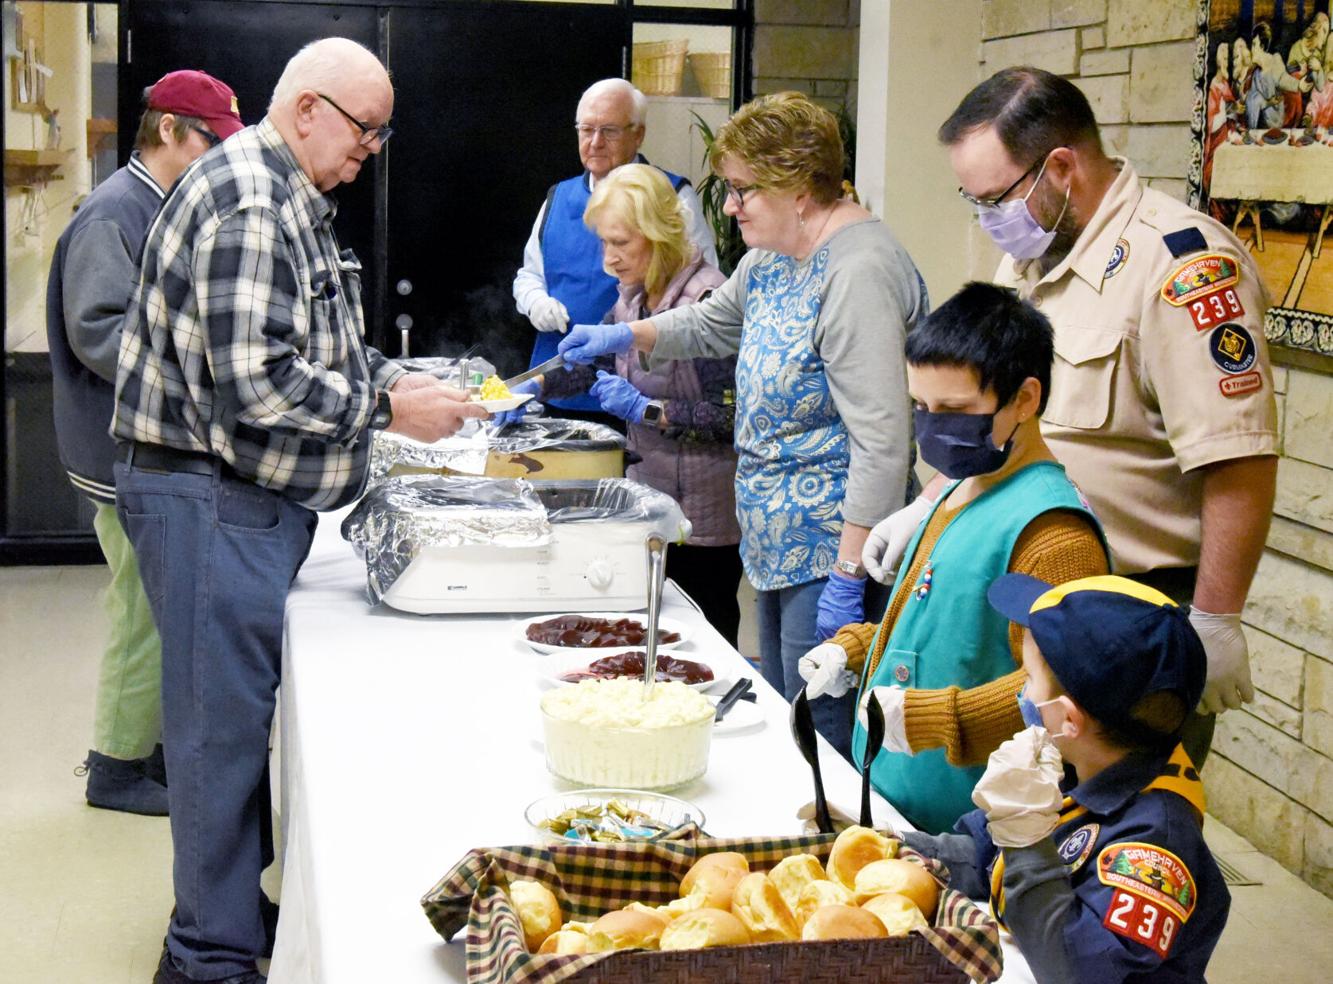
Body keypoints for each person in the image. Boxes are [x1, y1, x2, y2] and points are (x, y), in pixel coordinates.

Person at [111, 38, 487, 984]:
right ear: (309, 108)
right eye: (366, 128)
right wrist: (390, 408)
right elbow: (260, 386)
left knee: (232, 728)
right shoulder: (247, 197)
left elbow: (319, 346)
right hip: (205, 495)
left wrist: (402, 376)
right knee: (217, 736)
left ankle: (227, 910)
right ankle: (205, 955)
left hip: (235, 498)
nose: (374, 148)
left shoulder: (293, 198)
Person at [868, 67, 1279, 767]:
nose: (985, 215)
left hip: (1128, 616)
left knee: (1099, 838)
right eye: (971, 198)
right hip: (1026, 596)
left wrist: (1213, 617)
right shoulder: (1028, 261)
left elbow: (1236, 458)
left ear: (1059, 166)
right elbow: (1007, 425)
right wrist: (929, 507)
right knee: (1012, 823)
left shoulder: (1180, 267)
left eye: (993, 197)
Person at [557, 92, 928, 760]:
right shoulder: (772, 257)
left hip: (830, 543)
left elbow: (881, 439)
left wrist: (847, 577)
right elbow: (708, 323)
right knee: (792, 718)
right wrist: (621, 331)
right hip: (775, 540)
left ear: (795, 187)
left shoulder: (859, 270)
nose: (728, 207)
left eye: (740, 190)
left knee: (822, 738)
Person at [798, 282, 1108, 833]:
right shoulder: (958, 487)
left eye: (956, 409)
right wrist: (854, 650)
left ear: (1025, 399)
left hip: (977, 832)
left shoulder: (1052, 532)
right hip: (898, 800)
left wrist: (929, 718)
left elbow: (1058, 692)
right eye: (922, 407)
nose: (934, 426)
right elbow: (937, 630)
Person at [47, 70, 244, 816]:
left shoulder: (159, 207)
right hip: (118, 452)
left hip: (147, 444)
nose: (215, 160)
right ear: (167, 130)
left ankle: (145, 746)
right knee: (141, 611)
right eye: (208, 141)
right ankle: (116, 766)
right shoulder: (114, 213)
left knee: (160, 610)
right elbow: (99, 332)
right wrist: (204, 359)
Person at [901, 573, 1229, 984]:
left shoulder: (1156, 844)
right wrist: (904, 849)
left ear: (1068, 718)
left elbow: (1077, 973)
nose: (1021, 692)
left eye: (1027, 679)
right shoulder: (1075, 765)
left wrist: (1027, 843)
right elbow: (983, 852)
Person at [516, 163, 742, 644]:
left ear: (659, 235)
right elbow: (594, 365)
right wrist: (537, 386)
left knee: (700, 642)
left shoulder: (708, 300)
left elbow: (735, 419)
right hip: (651, 506)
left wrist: (648, 410)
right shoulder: (632, 299)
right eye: (604, 243)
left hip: (703, 525)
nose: (608, 260)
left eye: (621, 244)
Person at [511, 77, 717, 419]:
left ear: (638, 134)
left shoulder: (673, 196)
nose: (595, 142)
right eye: (586, 129)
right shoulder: (557, 198)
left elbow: (702, 296)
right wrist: (536, 303)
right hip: (568, 381)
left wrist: (645, 407)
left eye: (609, 130)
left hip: (650, 395)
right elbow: (529, 275)